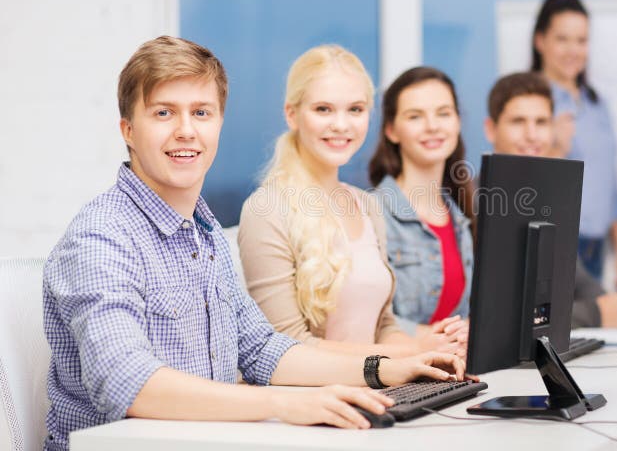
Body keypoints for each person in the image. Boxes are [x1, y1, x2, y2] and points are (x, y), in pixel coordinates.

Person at [42, 36, 465, 450]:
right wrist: (284, 404)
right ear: (129, 130)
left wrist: (385, 369)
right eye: (164, 113)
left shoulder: (204, 231)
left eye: (201, 113)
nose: (186, 131)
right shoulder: (102, 235)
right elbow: (125, 382)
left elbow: (262, 348)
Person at [238, 46, 467, 359]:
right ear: (292, 114)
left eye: (355, 110)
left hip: (378, 383)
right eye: (323, 109)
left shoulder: (366, 205)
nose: (341, 125)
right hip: (314, 390)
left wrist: (432, 351)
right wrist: (412, 353)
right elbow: (286, 346)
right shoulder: (266, 210)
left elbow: (383, 327)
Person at [483, 71, 617, 328]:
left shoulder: (545, 204)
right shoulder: (473, 203)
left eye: (541, 122)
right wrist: (598, 313)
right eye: (518, 122)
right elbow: (501, 317)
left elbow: (581, 284)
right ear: (491, 130)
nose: (532, 135)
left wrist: (616, 305)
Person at [532, 0, 617, 290]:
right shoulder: (532, 103)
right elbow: (522, 183)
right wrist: (556, 147)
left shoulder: (596, 103)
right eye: (562, 39)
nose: (573, 50)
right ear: (540, 41)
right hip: (555, 241)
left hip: (596, 248)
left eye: (581, 40)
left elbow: (609, 181)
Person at [367, 67, 474, 340]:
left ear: (458, 122)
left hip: (453, 364)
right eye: (415, 116)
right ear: (391, 130)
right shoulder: (371, 213)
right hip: (400, 363)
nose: (432, 126)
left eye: (443, 113)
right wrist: (434, 338)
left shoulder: (461, 216)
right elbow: (367, 320)